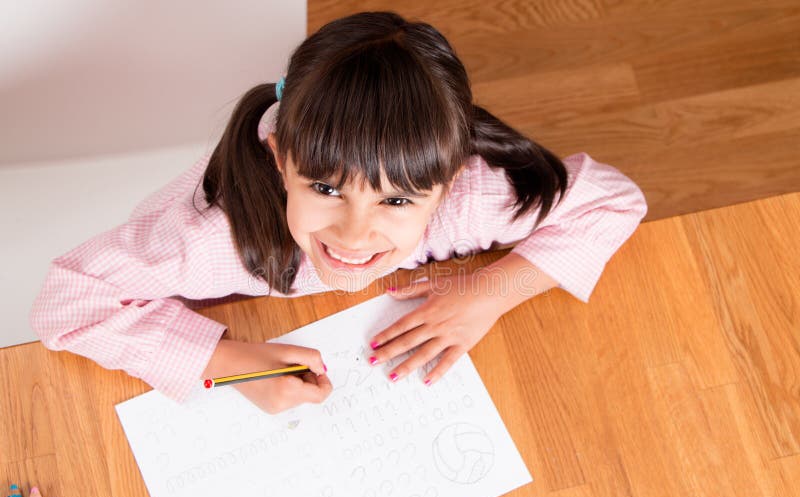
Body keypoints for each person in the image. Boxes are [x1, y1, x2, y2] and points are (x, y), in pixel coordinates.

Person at [30, 11, 647, 414]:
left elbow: (616, 201)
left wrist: (491, 290)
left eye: (398, 201)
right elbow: (67, 299)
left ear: (450, 181)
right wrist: (225, 364)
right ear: (279, 155)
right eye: (325, 190)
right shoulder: (206, 237)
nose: (355, 236)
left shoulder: (471, 195)